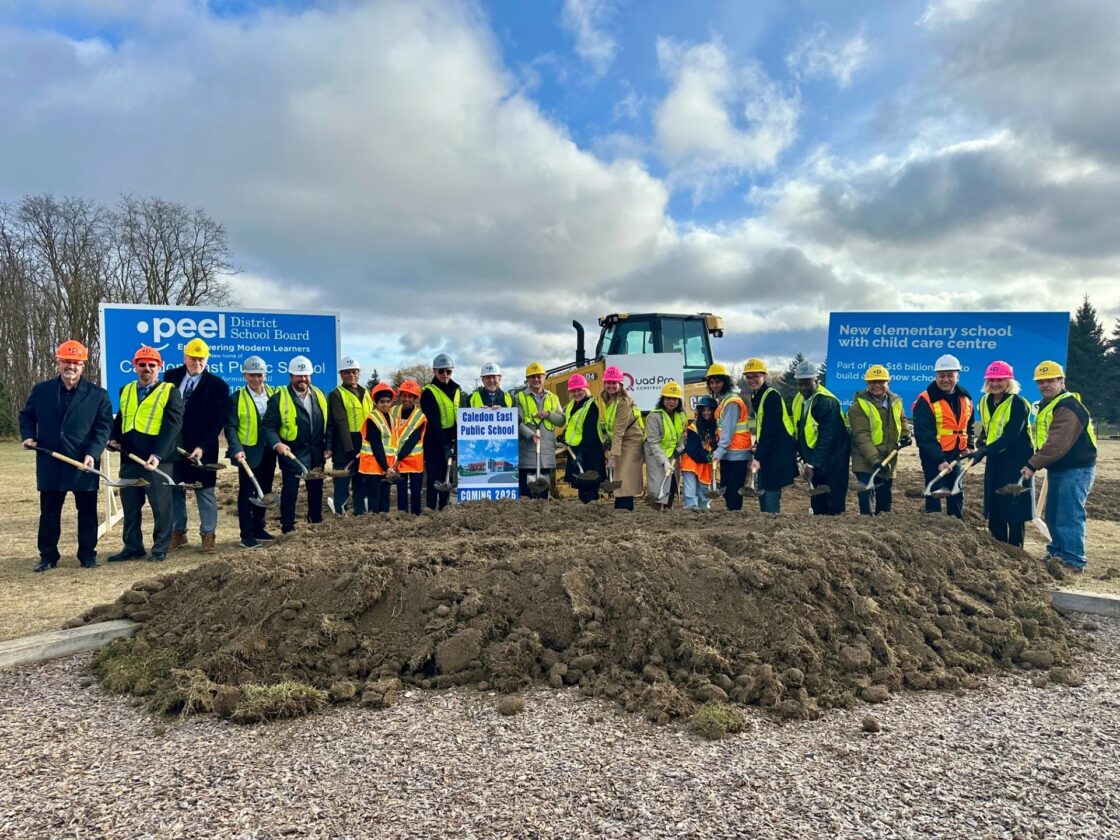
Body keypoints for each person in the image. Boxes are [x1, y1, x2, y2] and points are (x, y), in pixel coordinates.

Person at [19, 340, 113, 571]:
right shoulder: (41, 391)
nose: (71, 366)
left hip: (83, 463)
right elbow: (26, 416)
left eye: (76, 362)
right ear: (58, 361)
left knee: (87, 513)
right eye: (66, 361)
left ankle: (87, 556)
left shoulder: (98, 395)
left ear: (83, 365)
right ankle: (48, 556)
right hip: (50, 460)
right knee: (49, 513)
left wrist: (93, 453)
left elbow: (103, 428)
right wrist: (29, 436)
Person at [106, 345, 184, 563]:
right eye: (142, 365)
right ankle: (132, 547)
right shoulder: (126, 390)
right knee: (131, 505)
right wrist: (114, 438)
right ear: (135, 366)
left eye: (152, 365)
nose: (147, 369)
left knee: (161, 507)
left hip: (157, 460)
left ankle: (160, 548)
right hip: (129, 457)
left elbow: (173, 426)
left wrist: (158, 454)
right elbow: (121, 418)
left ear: (159, 367)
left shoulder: (170, 391)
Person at [1021, 361, 1097, 573]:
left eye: (1049, 381)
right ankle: (1056, 553)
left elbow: (1057, 443)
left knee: (1069, 513)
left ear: (1061, 381)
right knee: (1054, 513)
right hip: (1060, 468)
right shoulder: (1049, 404)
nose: (1045, 385)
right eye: (1041, 382)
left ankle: (1073, 560)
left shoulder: (1068, 406)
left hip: (1076, 468)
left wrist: (1032, 464)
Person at [164, 338, 229, 554]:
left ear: (207, 359)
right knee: (175, 488)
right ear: (185, 357)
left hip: (204, 447)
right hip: (173, 445)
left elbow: (217, 420)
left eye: (201, 359)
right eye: (193, 358)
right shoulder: (170, 377)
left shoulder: (218, 385)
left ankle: (208, 535)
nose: (197, 362)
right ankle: (178, 533)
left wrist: (202, 446)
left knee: (205, 490)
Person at [262, 355, 331, 534]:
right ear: (291, 376)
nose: (303, 379)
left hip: (316, 451)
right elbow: (268, 426)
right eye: (299, 375)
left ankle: (315, 521)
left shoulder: (320, 394)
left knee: (316, 490)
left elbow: (328, 423)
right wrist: (277, 444)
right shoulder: (279, 398)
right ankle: (288, 527)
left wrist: (328, 445)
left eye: (306, 375)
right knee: (290, 492)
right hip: (292, 453)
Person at [974, 361, 1034, 547]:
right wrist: (982, 441)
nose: (995, 383)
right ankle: (998, 546)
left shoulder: (1018, 403)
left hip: (1016, 460)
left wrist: (984, 450)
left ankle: (1016, 549)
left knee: (1015, 505)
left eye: (1000, 379)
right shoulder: (984, 401)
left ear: (1009, 381)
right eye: (991, 380)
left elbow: (1010, 435)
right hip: (996, 458)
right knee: (995, 503)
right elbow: (990, 426)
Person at [224, 355, 278, 549]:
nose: (256, 379)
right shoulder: (236, 398)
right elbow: (230, 426)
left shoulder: (273, 393)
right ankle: (246, 534)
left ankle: (259, 528)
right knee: (247, 492)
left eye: (260, 375)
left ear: (265, 375)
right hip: (248, 453)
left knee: (264, 490)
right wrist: (236, 449)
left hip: (269, 452)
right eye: (252, 375)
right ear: (244, 375)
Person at [912, 354, 974, 519]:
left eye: (950, 375)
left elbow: (968, 425)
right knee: (936, 490)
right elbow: (923, 435)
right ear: (936, 376)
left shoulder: (965, 397)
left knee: (956, 489)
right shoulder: (925, 400)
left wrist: (969, 445)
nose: (945, 379)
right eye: (941, 376)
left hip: (956, 453)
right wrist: (939, 460)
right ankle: (934, 525)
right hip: (934, 455)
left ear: (957, 376)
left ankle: (956, 521)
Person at [848, 364, 910, 516]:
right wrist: (874, 460)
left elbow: (902, 419)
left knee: (884, 492)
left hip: (888, 456)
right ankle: (866, 522)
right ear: (867, 384)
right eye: (872, 382)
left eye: (881, 381)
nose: (877, 385)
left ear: (888, 382)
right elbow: (861, 435)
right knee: (866, 490)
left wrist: (906, 434)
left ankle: (884, 522)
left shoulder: (896, 401)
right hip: (865, 457)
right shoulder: (858, 407)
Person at [791, 361, 850, 515]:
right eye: (800, 384)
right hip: (815, 457)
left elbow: (827, 437)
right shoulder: (799, 399)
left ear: (817, 381)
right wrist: (800, 454)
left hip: (834, 460)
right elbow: (799, 428)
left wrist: (812, 464)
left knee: (833, 502)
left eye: (807, 383)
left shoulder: (827, 402)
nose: (803, 388)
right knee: (818, 501)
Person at [742, 358, 798, 513]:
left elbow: (770, 429)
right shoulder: (757, 395)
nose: (752, 380)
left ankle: (772, 520)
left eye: (755, 376)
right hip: (769, 449)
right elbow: (763, 427)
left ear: (764, 377)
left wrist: (758, 457)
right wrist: (758, 444)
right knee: (764, 487)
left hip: (778, 451)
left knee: (771, 489)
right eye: (749, 377)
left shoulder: (771, 396)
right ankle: (767, 518)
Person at [705, 362, 752, 511]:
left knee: (733, 491)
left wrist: (719, 451)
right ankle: (732, 514)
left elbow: (728, 431)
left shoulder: (732, 402)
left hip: (737, 453)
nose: (714, 385)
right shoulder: (724, 401)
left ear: (725, 382)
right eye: (711, 382)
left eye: (718, 381)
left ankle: (735, 517)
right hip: (729, 453)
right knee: (727, 489)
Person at [328, 357, 370, 516]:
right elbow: (340, 422)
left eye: (354, 371)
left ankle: (359, 511)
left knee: (361, 480)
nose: (351, 375)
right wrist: (351, 450)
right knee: (342, 481)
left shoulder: (366, 392)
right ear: (341, 374)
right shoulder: (336, 395)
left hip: (364, 442)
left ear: (358, 373)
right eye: (347, 372)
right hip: (344, 444)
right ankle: (340, 510)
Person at [598, 365, 644, 511]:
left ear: (620, 384)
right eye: (608, 382)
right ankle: (620, 506)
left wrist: (612, 456)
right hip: (620, 440)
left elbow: (619, 430)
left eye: (614, 383)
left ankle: (625, 508)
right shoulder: (606, 399)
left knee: (625, 474)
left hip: (631, 440)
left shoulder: (623, 402)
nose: (611, 386)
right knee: (620, 474)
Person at [420, 353, 462, 510]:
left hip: (452, 438)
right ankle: (431, 509)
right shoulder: (428, 392)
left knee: (448, 476)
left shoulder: (457, 390)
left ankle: (444, 508)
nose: (445, 375)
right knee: (434, 477)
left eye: (448, 371)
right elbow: (434, 422)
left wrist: (456, 440)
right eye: (441, 371)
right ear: (434, 371)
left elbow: (460, 416)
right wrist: (444, 446)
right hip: (434, 441)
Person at [517, 362, 564, 500]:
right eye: (532, 377)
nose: (536, 380)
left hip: (546, 453)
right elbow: (516, 421)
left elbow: (561, 420)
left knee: (543, 496)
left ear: (544, 377)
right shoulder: (519, 397)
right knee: (526, 496)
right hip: (527, 454)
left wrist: (548, 414)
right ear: (527, 379)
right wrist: (530, 434)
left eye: (539, 376)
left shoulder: (553, 398)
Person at [562, 374, 604, 504]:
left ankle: (593, 510)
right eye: (573, 391)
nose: (576, 393)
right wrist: (564, 436)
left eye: (579, 390)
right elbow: (573, 425)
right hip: (576, 449)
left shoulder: (591, 406)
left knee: (590, 485)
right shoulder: (571, 405)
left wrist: (582, 454)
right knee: (581, 484)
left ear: (585, 389)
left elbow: (589, 433)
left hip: (589, 451)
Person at [644, 381, 686, 509]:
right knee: (658, 484)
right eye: (668, 398)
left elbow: (680, 435)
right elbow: (653, 443)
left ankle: (668, 509)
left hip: (672, 454)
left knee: (672, 483)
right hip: (656, 455)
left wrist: (680, 448)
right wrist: (664, 462)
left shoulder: (681, 415)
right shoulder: (654, 416)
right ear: (663, 399)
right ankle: (656, 511)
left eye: (674, 399)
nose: (671, 402)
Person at [358, 383, 397, 514]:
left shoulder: (390, 417)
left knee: (385, 496)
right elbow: (376, 445)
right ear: (376, 402)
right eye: (382, 402)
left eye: (388, 401)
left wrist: (389, 466)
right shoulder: (373, 419)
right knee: (375, 497)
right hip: (373, 465)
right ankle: (373, 523)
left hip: (385, 465)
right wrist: (386, 466)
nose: (385, 404)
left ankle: (384, 520)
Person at [392, 379, 427, 515]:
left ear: (414, 398)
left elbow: (414, 439)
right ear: (400, 396)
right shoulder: (393, 411)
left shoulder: (420, 416)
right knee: (400, 489)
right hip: (398, 459)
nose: (407, 399)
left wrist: (398, 457)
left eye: (410, 396)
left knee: (415, 490)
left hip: (413, 459)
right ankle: (402, 514)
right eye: (404, 395)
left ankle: (416, 515)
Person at [681, 396, 718, 511]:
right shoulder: (694, 427)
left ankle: (703, 508)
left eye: (709, 410)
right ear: (700, 411)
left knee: (703, 486)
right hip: (691, 461)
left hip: (704, 462)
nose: (706, 413)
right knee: (690, 487)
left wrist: (712, 455)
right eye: (704, 410)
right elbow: (692, 449)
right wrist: (707, 456)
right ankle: (691, 507)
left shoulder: (716, 427)